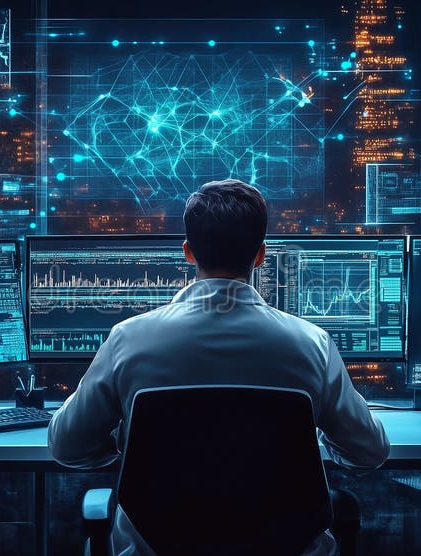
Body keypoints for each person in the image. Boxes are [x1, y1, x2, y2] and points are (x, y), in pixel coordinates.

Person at [49, 178, 390, 555]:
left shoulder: (127, 340)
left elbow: (67, 446)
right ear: (260, 255)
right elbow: (369, 452)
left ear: (188, 252)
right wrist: (313, 438)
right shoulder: (312, 344)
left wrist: (126, 443)